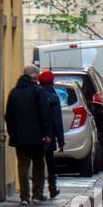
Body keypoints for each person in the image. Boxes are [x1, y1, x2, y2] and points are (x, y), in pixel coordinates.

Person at [4, 65, 50, 205]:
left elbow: (8, 116)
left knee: (22, 166)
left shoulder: (14, 92)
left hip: (19, 137)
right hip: (37, 137)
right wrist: (47, 133)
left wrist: (13, 132)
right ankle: (37, 194)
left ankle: (24, 196)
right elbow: (44, 113)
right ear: (35, 76)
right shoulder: (38, 91)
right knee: (38, 165)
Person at [37, 70, 66, 199]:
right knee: (50, 163)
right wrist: (61, 141)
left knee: (38, 164)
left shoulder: (36, 95)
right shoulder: (54, 97)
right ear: (52, 82)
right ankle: (52, 188)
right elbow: (57, 121)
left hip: (37, 134)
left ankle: (39, 191)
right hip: (50, 135)